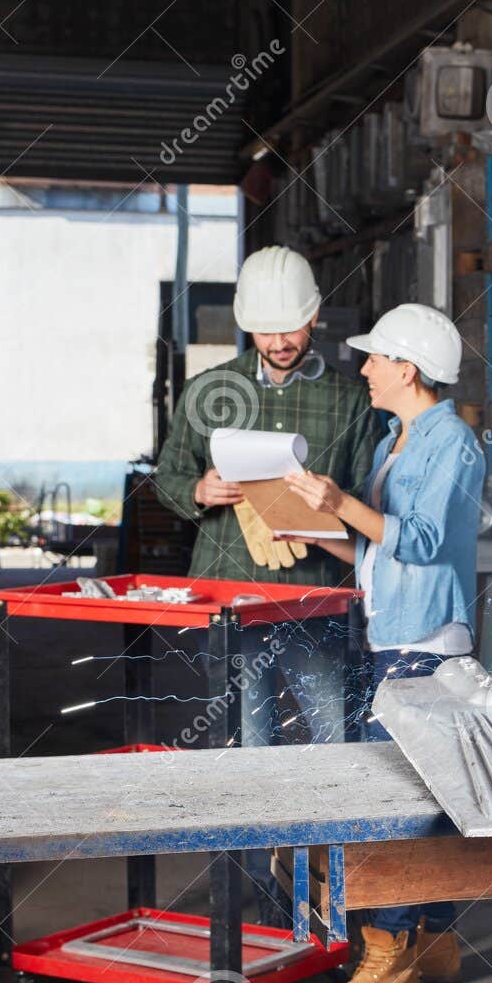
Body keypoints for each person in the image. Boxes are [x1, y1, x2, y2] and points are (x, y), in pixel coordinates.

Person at [152, 245, 378, 925]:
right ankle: (274, 908)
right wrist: (198, 488)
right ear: (245, 326)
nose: (279, 343)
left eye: (292, 328)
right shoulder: (207, 391)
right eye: (265, 330)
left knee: (334, 739)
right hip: (231, 599)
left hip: (314, 597)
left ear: (314, 318)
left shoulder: (347, 401)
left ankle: (341, 900)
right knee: (249, 750)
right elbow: (166, 479)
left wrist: (331, 508)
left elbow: (367, 500)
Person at [284, 303, 485, 983]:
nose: (365, 368)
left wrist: (337, 500)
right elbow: (380, 547)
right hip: (391, 636)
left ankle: (389, 955)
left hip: (426, 648)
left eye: (376, 358)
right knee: (425, 800)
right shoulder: (392, 441)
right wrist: (314, 532)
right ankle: (435, 938)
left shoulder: (453, 445)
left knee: (396, 806)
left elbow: (425, 541)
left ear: (408, 368)